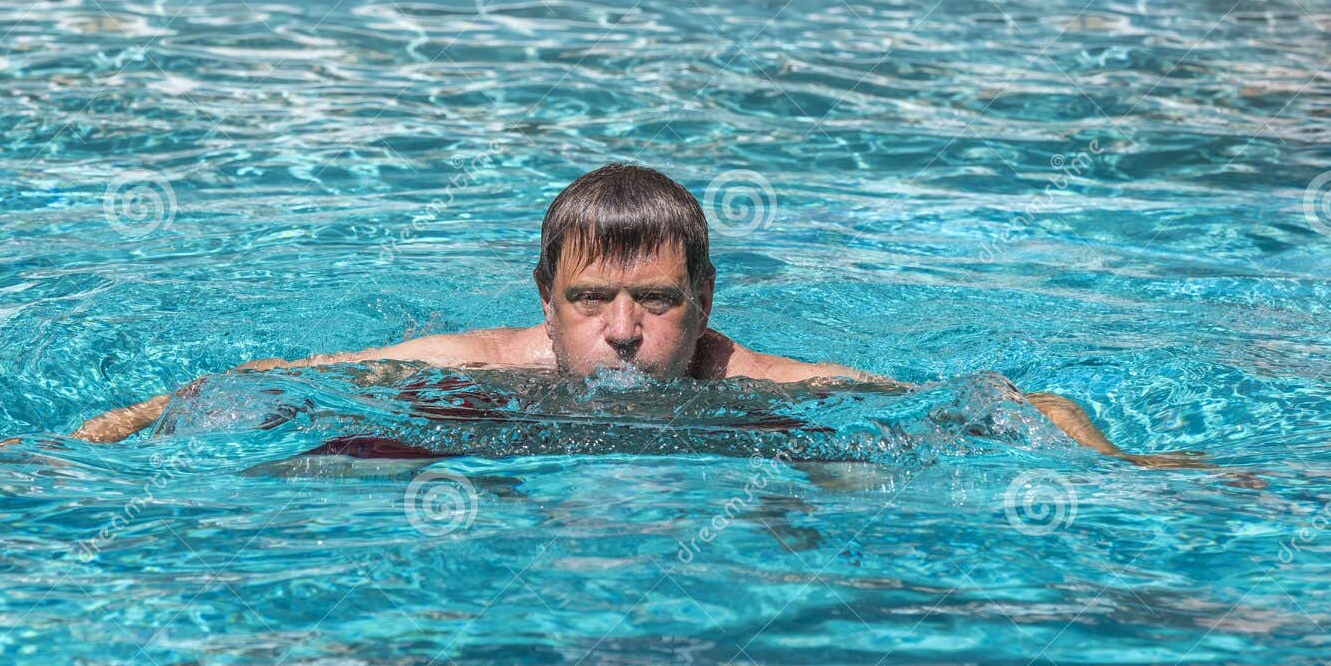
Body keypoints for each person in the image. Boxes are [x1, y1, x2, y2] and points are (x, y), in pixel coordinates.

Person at [61, 163, 1197, 467]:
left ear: (701, 307)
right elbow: (262, 372)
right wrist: (89, 442)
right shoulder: (475, 360)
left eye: (653, 302)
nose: (619, 331)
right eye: (589, 300)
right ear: (544, 307)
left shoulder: (742, 376)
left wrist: (1129, 468)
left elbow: (1009, 398)